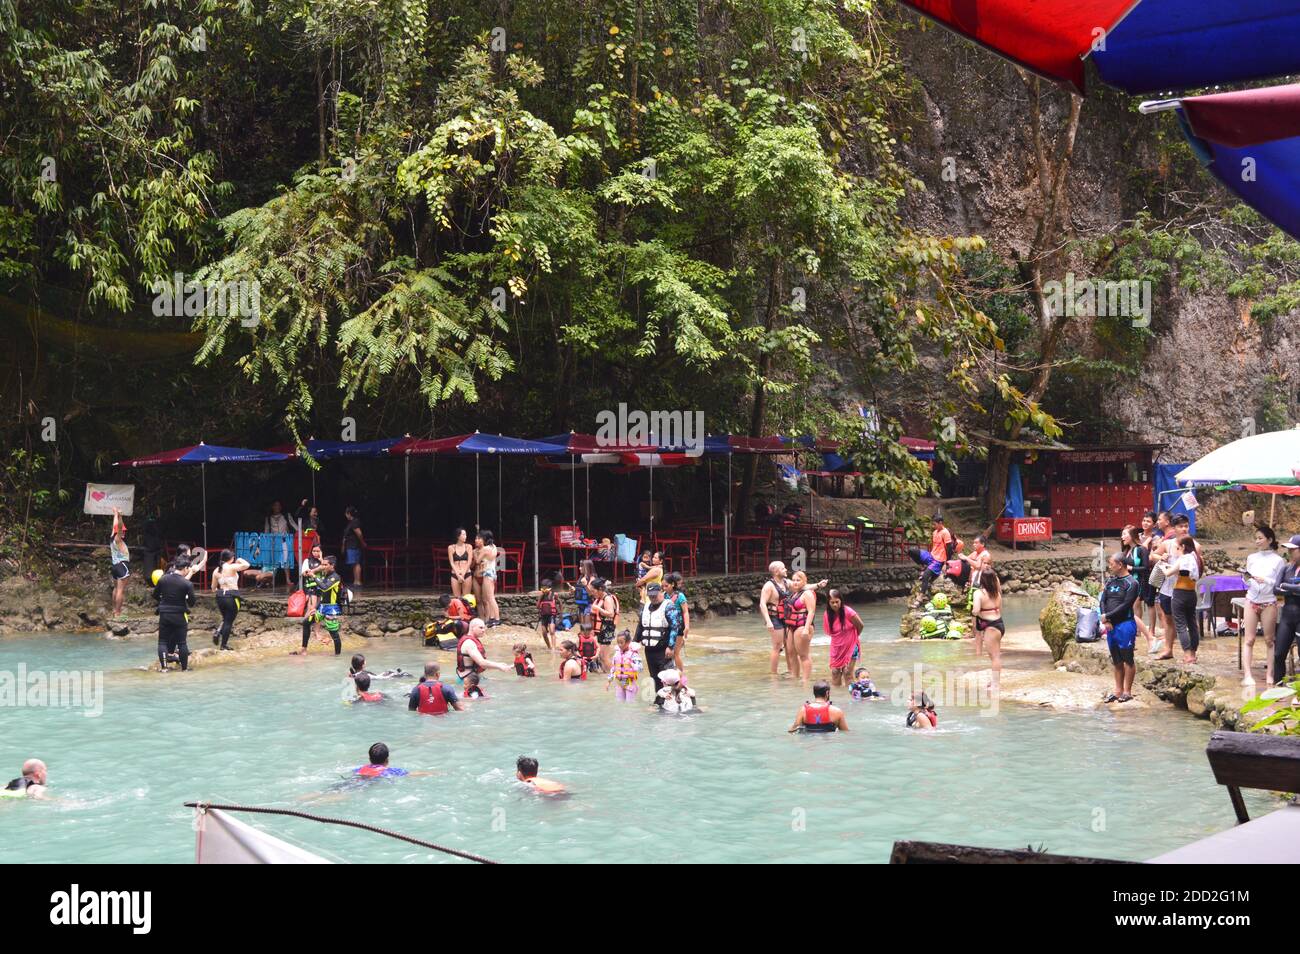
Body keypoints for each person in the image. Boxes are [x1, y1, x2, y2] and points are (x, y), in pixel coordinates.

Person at [1241, 523, 1286, 687]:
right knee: (1249, 639)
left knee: (1269, 640)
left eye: (1260, 538)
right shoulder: (1252, 558)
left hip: (1269, 601)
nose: (1257, 541)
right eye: (1256, 538)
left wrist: (1265, 580)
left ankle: (1270, 674)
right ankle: (1247, 674)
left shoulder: (1278, 560)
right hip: (1251, 599)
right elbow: (1245, 578)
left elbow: (1279, 584)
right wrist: (1247, 579)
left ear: (1270, 540)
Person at [1099, 553, 1140, 703]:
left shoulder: (1132, 583)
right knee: (1116, 659)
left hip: (1125, 624)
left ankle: (1127, 691)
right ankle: (1118, 690)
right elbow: (1103, 600)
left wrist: (1108, 616)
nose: (1109, 566)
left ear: (1120, 564)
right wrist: (1106, 618)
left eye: (1111, 564)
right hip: (1111, 626)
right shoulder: (1110, 581)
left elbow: (1125, 605)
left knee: (1127, 657)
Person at [153, 559, 196, 671]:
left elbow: (155, 595)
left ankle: (164, 668)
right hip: (179, 615)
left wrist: (164, 599)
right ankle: (184, 669)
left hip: (165, 614)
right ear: (186, 568)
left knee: (162, 641)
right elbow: (192, 602)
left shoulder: (163, 579)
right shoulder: (187, 583)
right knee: (182, 642)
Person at [294, 556, 342, 655]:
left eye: (325, 565)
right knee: (306, 622)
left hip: (331, 609)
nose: (323, 567)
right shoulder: (325, 576)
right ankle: (304, 650)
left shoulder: (336, 577)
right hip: (322, 607)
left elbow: (324, 588)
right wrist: (315, 608)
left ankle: (337, 656)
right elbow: (323, 596)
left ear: (332, 565)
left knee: (334, 634)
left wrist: (314, 576)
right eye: (322, 564)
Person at [634, 582, 676, 690]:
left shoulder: (669, 606)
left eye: (655, 595)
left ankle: (673, 699)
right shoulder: (646, 607)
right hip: (649, 650)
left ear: (662, 592)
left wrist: (671, 647)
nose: (653, 598)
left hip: (663, 650)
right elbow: (641, 626)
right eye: (651, 595)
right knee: (654, 677)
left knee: (667, 678)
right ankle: (659, 701)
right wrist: (634, 642)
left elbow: (675, 627)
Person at [1169, 534, 1203, 665]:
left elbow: (1168, 573)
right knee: (1192, 624)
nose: (1177, 550)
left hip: (1179, 593)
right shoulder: (1197, 559)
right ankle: (1193, 654)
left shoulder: (1183, 559)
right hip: (1191, 593)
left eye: (1178, 548)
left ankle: (1187, 655)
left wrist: (1162, 565)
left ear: (1183, 547)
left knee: (1181, 625)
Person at [1119, 525, 1154, 647]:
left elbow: (1145, 567)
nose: (1123, 537)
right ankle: (1136, 630)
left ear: (1132, 536)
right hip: (1127, 583)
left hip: (1140, 582)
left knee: (1133, 606)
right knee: (1133, 607)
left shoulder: (1141, 549)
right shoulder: (1126, 551)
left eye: (1125, 534)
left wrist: (1131, 568)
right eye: (1122, 534)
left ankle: (1137, 630)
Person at [759, 561, 795, 677]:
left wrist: (818, 585)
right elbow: (762, 604)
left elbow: (802, 586)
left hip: (786, 617)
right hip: (774, 618)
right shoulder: (769, 586)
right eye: (783, 568)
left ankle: (791, 671)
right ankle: (773, 674)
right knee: (777, 646)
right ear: (776, 571)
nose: (786, 570)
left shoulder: (786, 582)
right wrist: (769, 622)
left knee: (789, 646)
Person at [972, 570, 1005, 694]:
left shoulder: (978, 593)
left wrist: (976, 615)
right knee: (994, 655)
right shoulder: (997, 594)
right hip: (999, 624)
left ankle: (996, 684)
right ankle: (994, 681)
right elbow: (1000, 609)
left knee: (995, 657)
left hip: (990, 627)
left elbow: (975, 610)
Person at [1274, 535, 1300, 687]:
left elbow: (1284, 588)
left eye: (1293, 550)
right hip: (1287, 616)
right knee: (1278, 654)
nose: (1290, 553)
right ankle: (1278, 687)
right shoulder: (1286, 568)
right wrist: (1293, 589)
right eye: (1288, 550)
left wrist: (1286, 587)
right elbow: (1275, 589)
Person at [211, 549, 250, 651]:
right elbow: (247, 565)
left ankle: (218, 631)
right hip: (231, 596)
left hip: (220, 596)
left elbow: (213, 587)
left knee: (225, 619)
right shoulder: (231, 567)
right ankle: (223, 645)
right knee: (229, 621)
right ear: (231, 558)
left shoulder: (216, 570)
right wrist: (240, 559)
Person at [823, 588, 863, 686]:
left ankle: (851, 696)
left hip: (851, 645)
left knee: (847, 673)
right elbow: (830, 632)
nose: (835, 605)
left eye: (837, 602)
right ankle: (837, 697)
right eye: (832, 602)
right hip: (836, 647)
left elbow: (860, 625)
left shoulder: (848, 612)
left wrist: (853, 637)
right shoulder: (827, 614)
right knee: (835, 672)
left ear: (841, 600)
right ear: (828, 603)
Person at [456, 617, 511, 682]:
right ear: (472, 628)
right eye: (481, 628)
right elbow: (481, 663)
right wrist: (499, 666)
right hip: (467, 681)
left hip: (473, 678)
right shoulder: (469, 643)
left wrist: (500, 665)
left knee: (500, 681)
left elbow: (482, 665)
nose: (483, 630)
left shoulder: (472, 640)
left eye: (484, 628)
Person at [354, 742, 429, 779]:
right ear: (387, 760)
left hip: (357, 779)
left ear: (370, 759)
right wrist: (434, 773)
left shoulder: (359, 769)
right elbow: (411, 774)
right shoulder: (391, 771)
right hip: (370, 781)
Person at [299, 542, 326, 644]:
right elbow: (304, 573)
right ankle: (306, 628)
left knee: (318, 610)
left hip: (321, 588)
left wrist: (321, 559)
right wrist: (316, 570)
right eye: (314, 551)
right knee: (311, 608)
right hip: (311, 588)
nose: (315, 553)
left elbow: (327, 570)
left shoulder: (324, 562)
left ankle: (317, 632)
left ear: (321, 552)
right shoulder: (307, 561)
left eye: (318, 551)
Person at [664, 572, 691, 672]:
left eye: (666, 586)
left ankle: (682, 676)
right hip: (667, 627)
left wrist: (687, 627)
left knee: (675, 653)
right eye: (663, 586)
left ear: (672, 585)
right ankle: (670, 674)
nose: (664, 588)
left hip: (679, 627)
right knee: (667, 652)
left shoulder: (680, 596)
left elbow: (685, 612)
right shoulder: (664, 596)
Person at [591, 578, 620, 670]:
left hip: (607, 629)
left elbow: (611, 613)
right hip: (602, 629)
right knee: (601, 657)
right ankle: (606, 676)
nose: (592, 592)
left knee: (604, 657)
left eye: (593, 590)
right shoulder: (600, 598)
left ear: (600, 589)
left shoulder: (607, 598)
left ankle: (616, 675)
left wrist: (597, 608)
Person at [606, 630, 642, 701]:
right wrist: (608, 682)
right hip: (620, 682)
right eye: (618, 643)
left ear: (628, 642)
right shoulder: (616, 654)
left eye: (621, 643)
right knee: (620, 704)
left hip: (630, 683)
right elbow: (613, 669)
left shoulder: (634, 654)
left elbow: (640, 668)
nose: (619, 645)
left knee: (629, 705)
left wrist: (631, 664)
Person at [476, 531, 501, 627]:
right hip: (493, 571)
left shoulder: (485, 549)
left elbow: (478, 561)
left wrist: (478, 553)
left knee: (490, 597)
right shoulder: (494, 546)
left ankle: (497, 618)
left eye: (481, 538)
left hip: (487, 572)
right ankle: (491, 618)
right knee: (489, 596)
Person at [109, 506, 130, 619]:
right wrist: (120, 516)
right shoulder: (118, 539)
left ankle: (114, 610)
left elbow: (115, 526)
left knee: (116, 588)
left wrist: (115, 514)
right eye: (123, 532)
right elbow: (119, 526)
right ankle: (117, 613)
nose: (124, 533)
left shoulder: (112, 537)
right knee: (120, 591)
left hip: (115, 566)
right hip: (122, 565)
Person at [341, 506, 365, 590]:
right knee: (353, 563)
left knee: (356, 563)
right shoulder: (351, 522)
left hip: (354, 545)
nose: (345, 515)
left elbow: (359, 533)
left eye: (346, 513)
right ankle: (355, 581)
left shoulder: (355, 522)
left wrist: (362, 542)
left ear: (349, 514)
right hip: (350, 546)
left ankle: (358, 582)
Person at [448, 528, 472, 600]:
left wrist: (463, 574)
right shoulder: (451, 547)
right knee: (457, 599)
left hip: (466, 573)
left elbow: (469, 561)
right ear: (458, 536)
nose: (465, 536)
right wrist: (458, 575)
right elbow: (451, 562)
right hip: (455, 574)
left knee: (466, 599)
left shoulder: (469, 547)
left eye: (466, 534)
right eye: (463, 534)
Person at [536, 578, 559, 649]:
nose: (544, 589)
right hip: (543, 615)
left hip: (551, 615)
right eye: (543, 587)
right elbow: (537, 606)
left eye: (545, 588)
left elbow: (559, 602)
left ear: (549, 588)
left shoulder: (554, 595)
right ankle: (549, 646)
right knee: (544, 632)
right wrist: (540, 598)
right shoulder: (541, 595)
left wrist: (560, 613)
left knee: (552, 631)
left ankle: (554, 648)